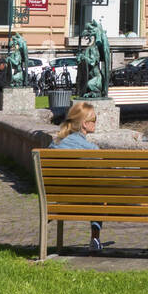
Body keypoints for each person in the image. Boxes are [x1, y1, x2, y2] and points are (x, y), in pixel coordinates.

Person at [52, 102, 102, 252]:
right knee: (99, 193)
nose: (96, 123)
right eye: (94, 120)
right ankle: (95, 238)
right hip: (85, 201)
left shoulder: (54, 145)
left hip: (60, 200)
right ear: (85, 124)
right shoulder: (91, 149)